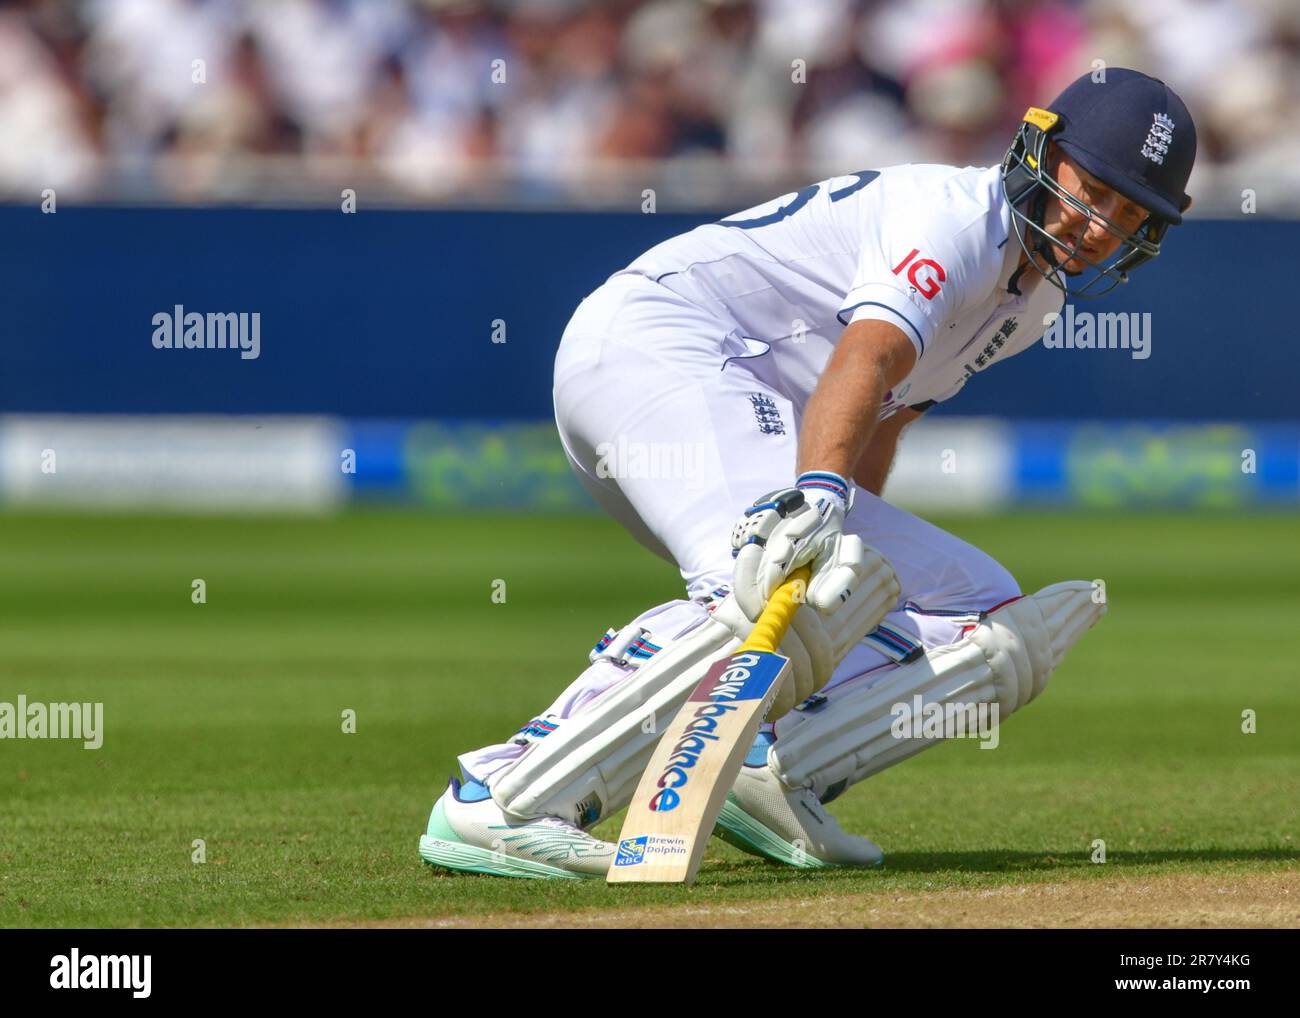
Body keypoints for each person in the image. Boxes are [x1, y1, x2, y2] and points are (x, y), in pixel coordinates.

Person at [419, 68, 1197, 878]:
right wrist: (819, 501)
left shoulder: (1034, 305)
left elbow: (885, 418)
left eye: (1129, 214)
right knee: (768, 579)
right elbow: (869, 356)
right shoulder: (955, 219)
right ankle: (505, 793)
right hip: (659, 350)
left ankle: (774, 765)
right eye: (1092, 191)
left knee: (989, 617)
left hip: (736, 402)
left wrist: (849, 584)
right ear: (1040, 148)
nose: (1099, 227)